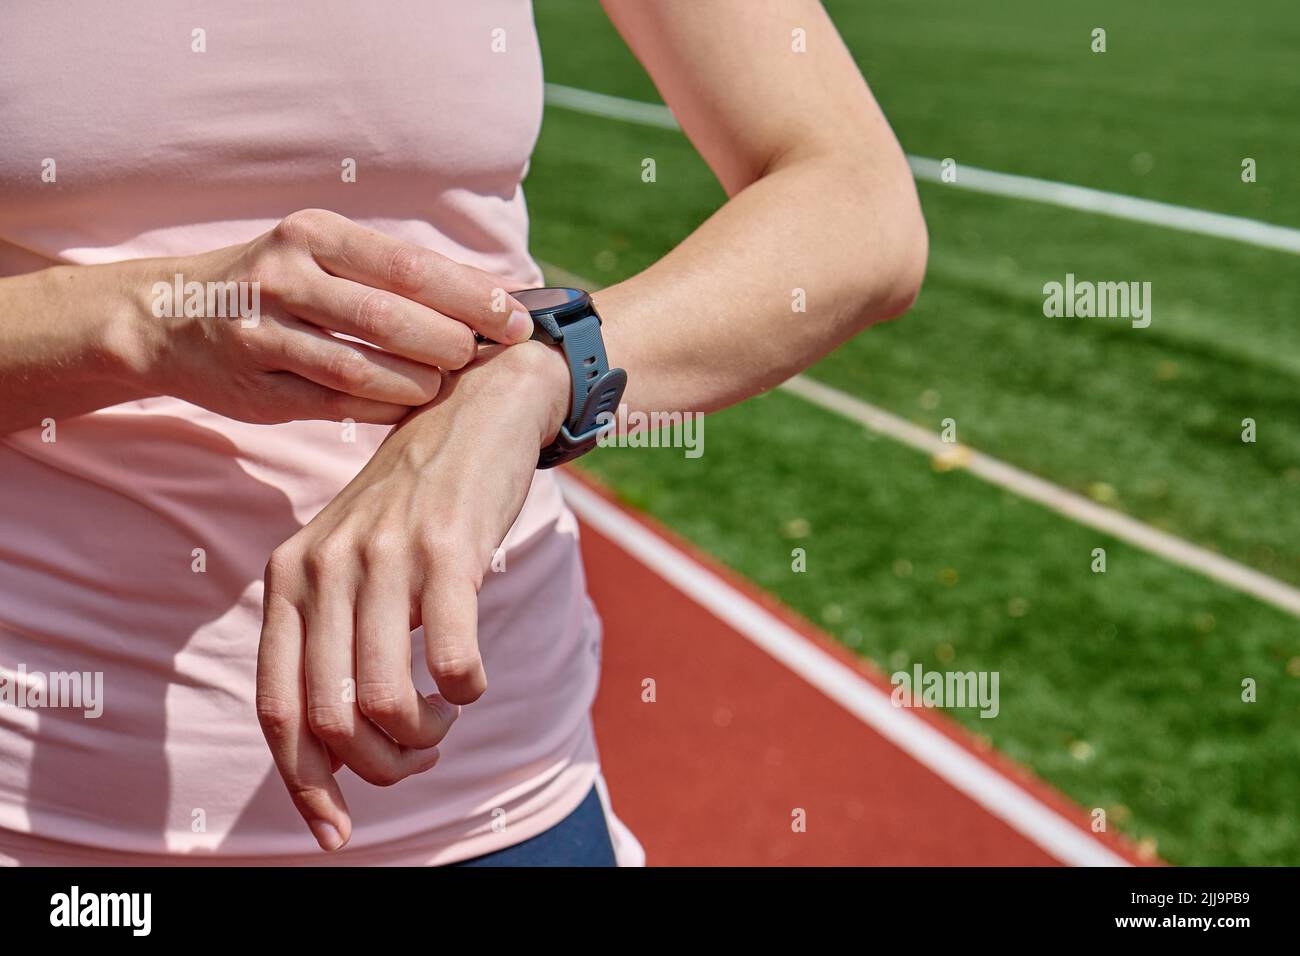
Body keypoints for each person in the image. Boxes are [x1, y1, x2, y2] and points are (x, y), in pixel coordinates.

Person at [0, 0, 926, 865]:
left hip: (505, 801)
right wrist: (139, 322)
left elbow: (857, 202)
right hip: (40, 816)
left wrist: (543, 374)